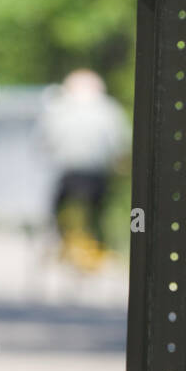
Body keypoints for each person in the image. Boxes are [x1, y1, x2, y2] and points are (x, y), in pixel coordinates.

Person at [39, 70, 129, 266]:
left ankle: (58, 243)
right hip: (97, 176)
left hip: (68, 175)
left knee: (58, 209)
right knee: (99, 214)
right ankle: (101, 246)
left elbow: (44, 144)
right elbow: (121, 147)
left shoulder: (59, 109)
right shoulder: (109, 110)